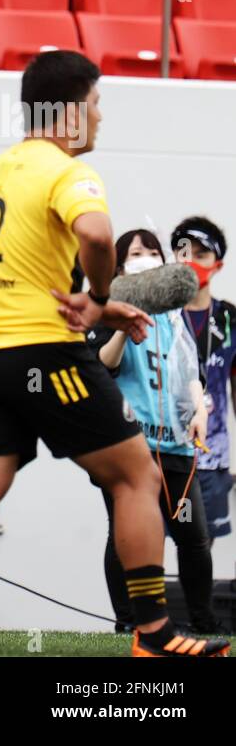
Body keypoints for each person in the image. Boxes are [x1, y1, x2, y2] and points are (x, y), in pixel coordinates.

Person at [0, 50, 229, 657]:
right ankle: (154, 634)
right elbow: (99, 234)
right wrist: (102, 292)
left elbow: (29, 284)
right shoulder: (66, 172)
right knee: (137, 476)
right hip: (43, 357)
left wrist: (101, 311)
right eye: (98, 103)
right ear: (72, 109)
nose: (101, 117)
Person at [89, 229, 222, 633]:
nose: (145, 257)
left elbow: (192, 374)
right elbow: (101, 363)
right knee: (125, 534)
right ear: (120, 265)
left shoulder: (176, 316)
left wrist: (199, 410)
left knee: (193, 537)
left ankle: (203, 622)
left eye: (152, 251)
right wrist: (123, 325)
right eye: (135, 252)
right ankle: (127, 622)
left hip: (177, 446)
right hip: (129, 446)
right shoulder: (108, 307)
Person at [171, 216, 235, 542]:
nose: (191, 261)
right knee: (145, 541)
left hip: (211, 459)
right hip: (162, 455)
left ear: (218, 263)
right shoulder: (159, 316)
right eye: (185, 252)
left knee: (201, 551)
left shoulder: (230, 319)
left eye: (201, 254)